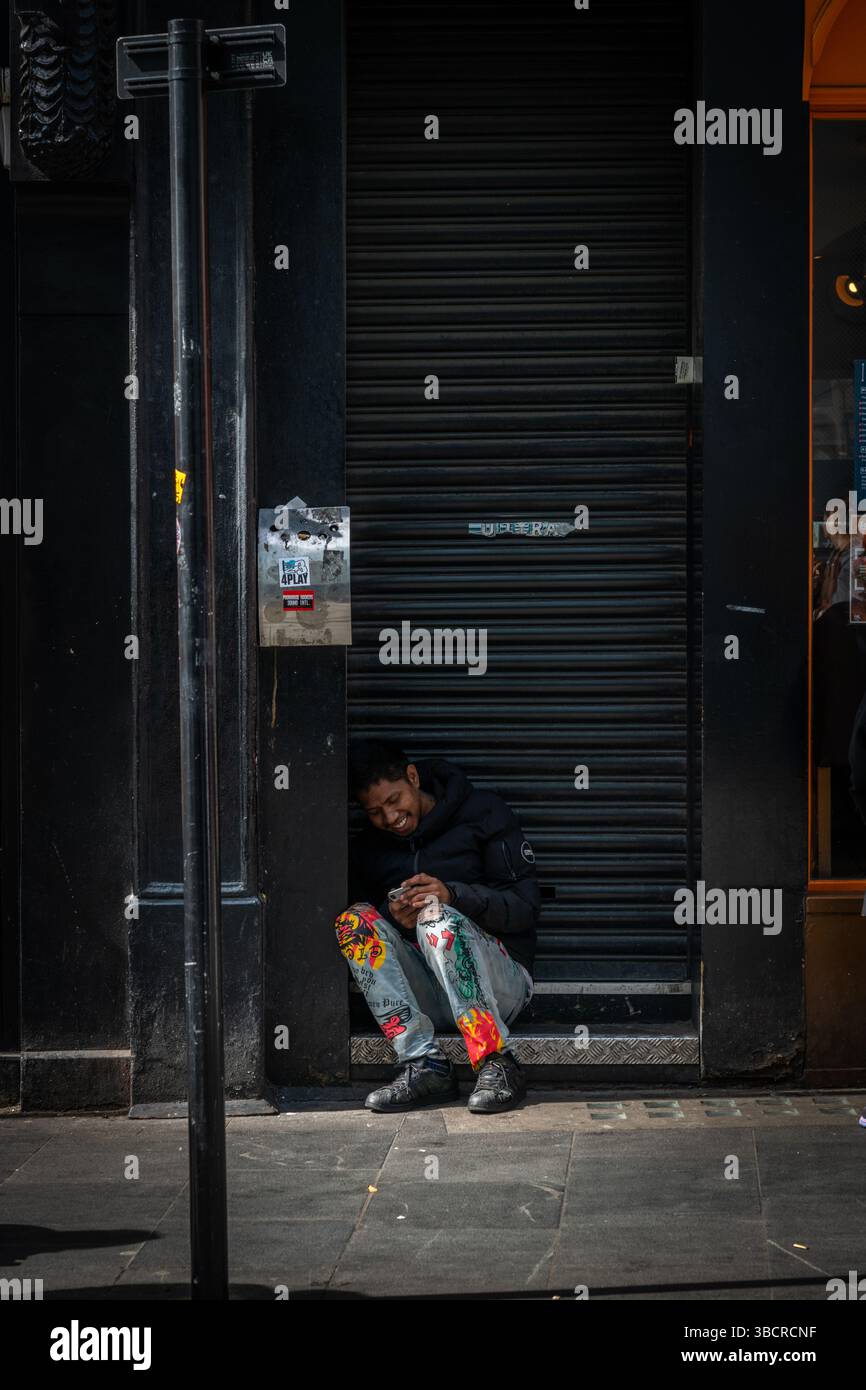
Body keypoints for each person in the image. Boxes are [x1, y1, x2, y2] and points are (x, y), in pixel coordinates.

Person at [336, 738, 540, 1114]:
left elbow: (526, 907)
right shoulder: (369, 846)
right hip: (429, 997)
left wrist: (453, 895)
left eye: (394, 800)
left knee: (437, 916)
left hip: (501, 987)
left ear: (412, 777)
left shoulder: (483, 814)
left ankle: (496, 1061)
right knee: (355, 923)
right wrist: (392, 918)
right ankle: (423, 1064)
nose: (389, 818)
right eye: (375, 811)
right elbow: (377, 935)